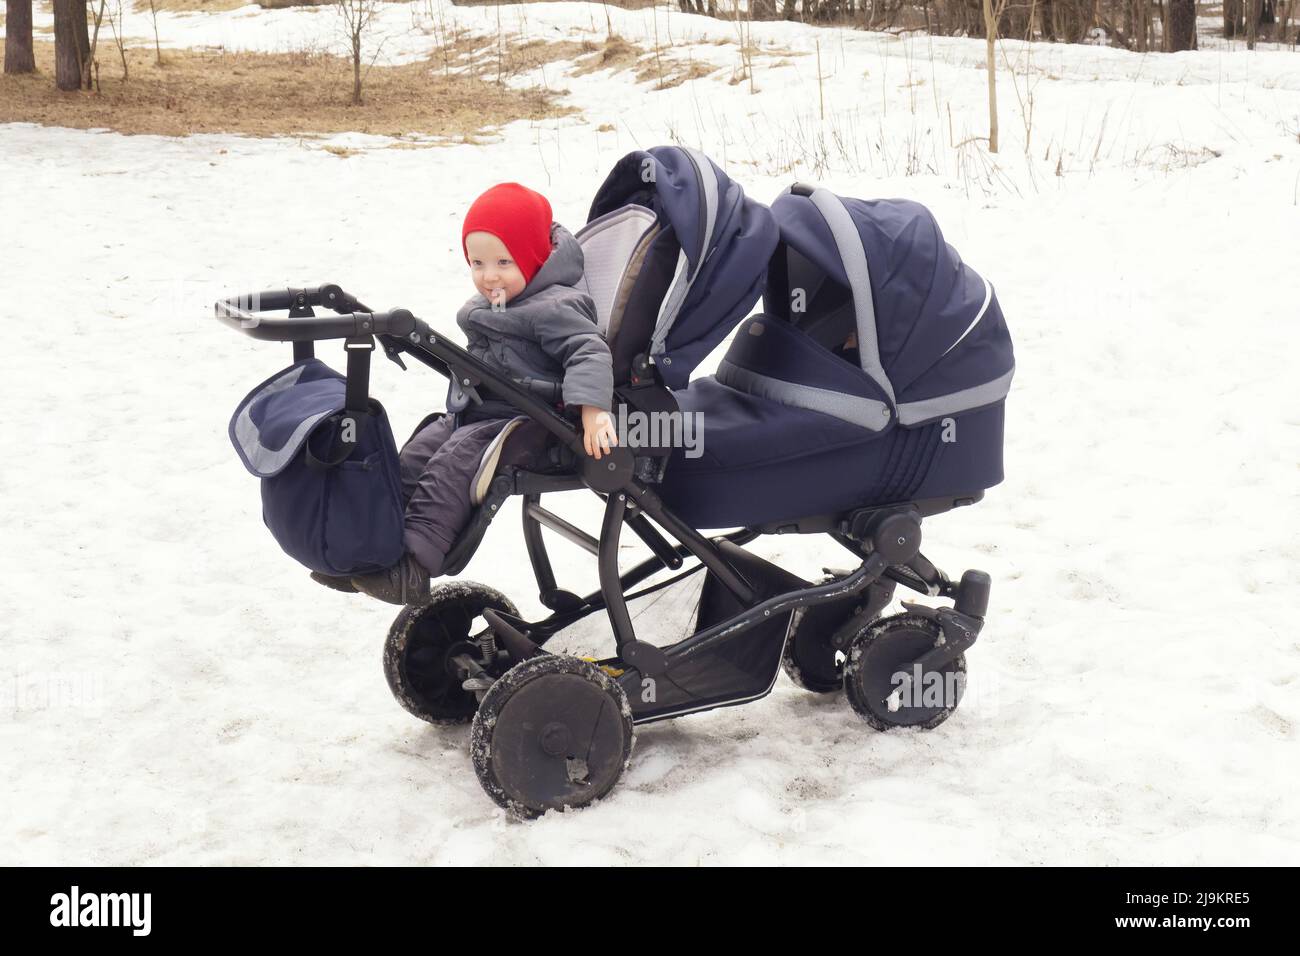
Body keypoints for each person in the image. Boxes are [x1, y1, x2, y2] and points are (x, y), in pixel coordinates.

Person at [338, 183, 618, 604]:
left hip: (535, 421)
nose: (489, 276)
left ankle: (414, 564)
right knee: (418, 453)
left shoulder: (555, 305)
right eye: (477, 263)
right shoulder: (498, 302)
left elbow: (590, 351)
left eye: (504, 262)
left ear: (533, 258)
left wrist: (593, 410)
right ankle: (372, 553)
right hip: (480, 409)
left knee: (454, 462)